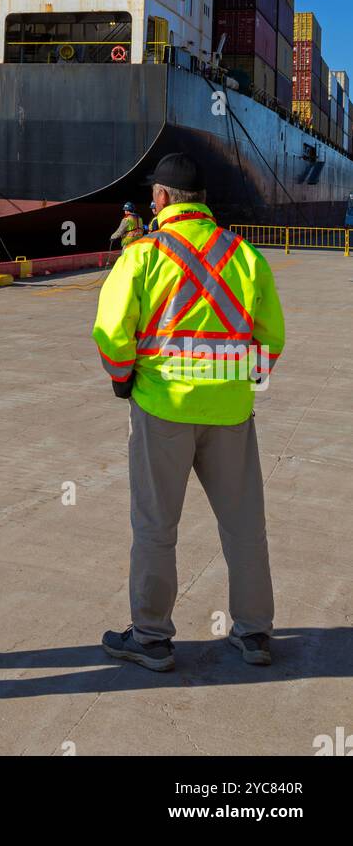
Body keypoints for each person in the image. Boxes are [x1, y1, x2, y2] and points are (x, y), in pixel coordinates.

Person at [92, 152, 285, 673]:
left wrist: (122, 378)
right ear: (202, 201)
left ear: (160, 199)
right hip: (230, 415)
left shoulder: (142, 256)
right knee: (245, 526)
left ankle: (152, 638)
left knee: (156, 526)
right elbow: (271, 338)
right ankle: (254, 634)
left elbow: (111, 333)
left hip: (162, 410)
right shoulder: (245, 257)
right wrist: (245, 379)